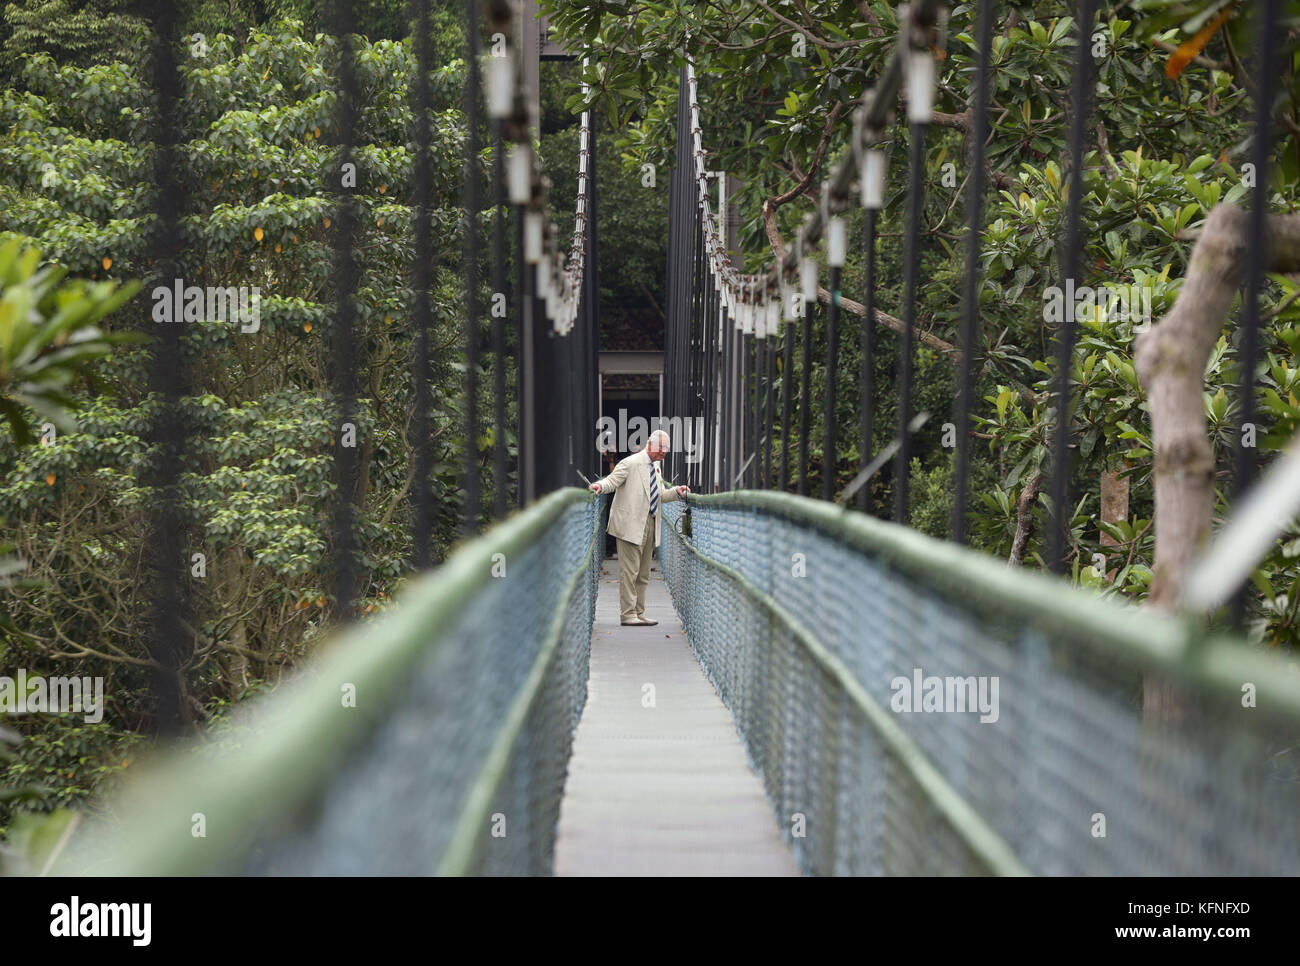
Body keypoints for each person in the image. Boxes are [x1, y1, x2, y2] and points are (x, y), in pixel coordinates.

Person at [589, 429, 689, 626]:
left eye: (667, 449)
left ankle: (639, 613)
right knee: (629, 572)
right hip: (629, 526)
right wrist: (600, 486)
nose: (665, 452)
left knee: (643, 574)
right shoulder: (630, 463)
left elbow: (659, 495)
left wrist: (676, 492)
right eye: (662, 448)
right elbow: (612, 481)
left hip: (651, 523)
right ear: (650, 444)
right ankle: (628, 615)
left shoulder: (656, 467)